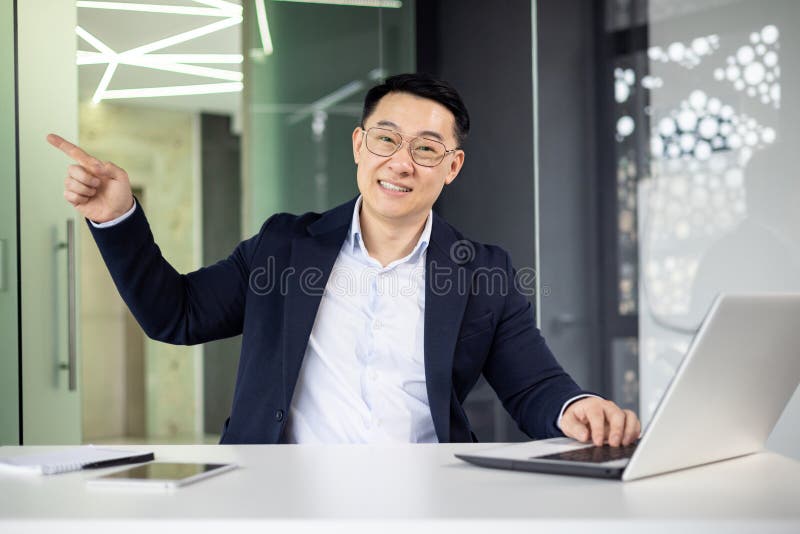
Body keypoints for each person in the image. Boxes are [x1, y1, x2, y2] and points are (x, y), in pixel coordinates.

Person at [48, 73, 640, 446]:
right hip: (282, 497)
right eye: (386, 139)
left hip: (428, 499)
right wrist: (117, 215)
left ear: (451, 167)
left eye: (427, 148)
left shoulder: (483, 272)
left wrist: (578, 406)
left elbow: (534, 385)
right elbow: (174, 315)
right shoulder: (283, 248)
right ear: (360, 146)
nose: (401, 162)